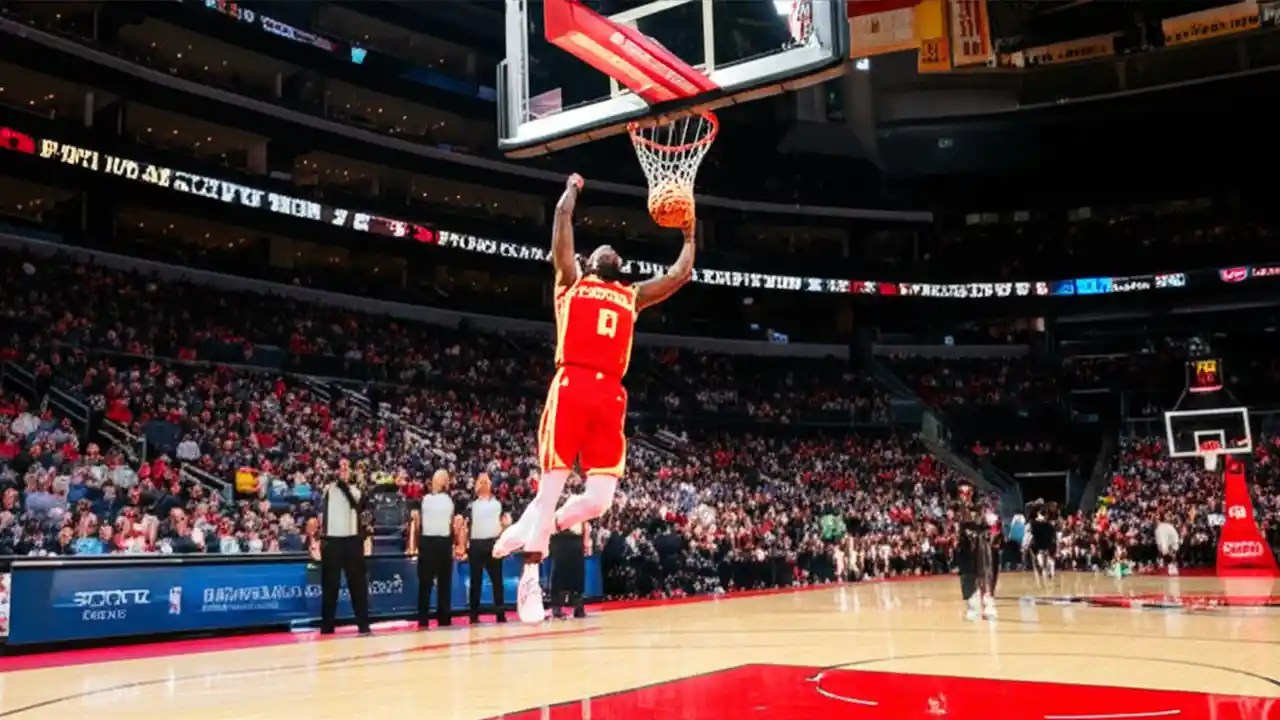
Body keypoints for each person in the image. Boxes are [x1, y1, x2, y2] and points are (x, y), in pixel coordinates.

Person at [494, 172, 698, 624]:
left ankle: (530, 528)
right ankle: (529, 579)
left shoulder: (631, 296)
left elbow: (680, 274)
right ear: (590, 261)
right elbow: (562, 222)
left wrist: (690, 231)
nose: (613, 249)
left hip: (610, 393)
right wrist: (572, 190)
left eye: (615, 250)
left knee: (600, 500)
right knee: (550, 489)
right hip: (572, 384)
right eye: (605, 248)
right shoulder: (571, 281)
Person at [319, 458, 371, 635]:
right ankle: (327, 626)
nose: (343, 469)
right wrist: (336, 481)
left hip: (351, 541)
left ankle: (363, 625)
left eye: (346, 467)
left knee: (358, 586)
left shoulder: (355, 490)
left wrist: (345, 484)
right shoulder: (328, 488)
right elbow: (323, 486)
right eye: (340, 466)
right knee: (329, 587)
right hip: (332, 541)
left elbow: (357, 503)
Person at [417, 469, 456, 629]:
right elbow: (418, 522)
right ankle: (423, 618)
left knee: (444, 583)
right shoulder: (425, 499)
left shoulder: (449, 500)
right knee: (425, 583)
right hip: (428, 542)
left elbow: (452, 522)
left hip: (444, 542)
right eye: (440, 478)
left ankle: (444, 618)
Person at [467, 473, 506, 623]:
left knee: (497, 581)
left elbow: (503, 522)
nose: (483, 484)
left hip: (493, 543)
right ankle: (473, 614)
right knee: (475, 581)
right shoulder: (472, 505)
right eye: (480, 482)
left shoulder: (498, 504)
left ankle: (500, 613)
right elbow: (466, 525)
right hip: (477, 544)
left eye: (486, 482)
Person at [549, 520, 589, 619]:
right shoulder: (557, 509)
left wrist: (585, 542)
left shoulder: (580, 511)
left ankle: (578, 607)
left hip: (575, 540)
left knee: (577, 576)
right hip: (560, 538)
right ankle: (557, 608)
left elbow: (585, 525)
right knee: (559, 576)